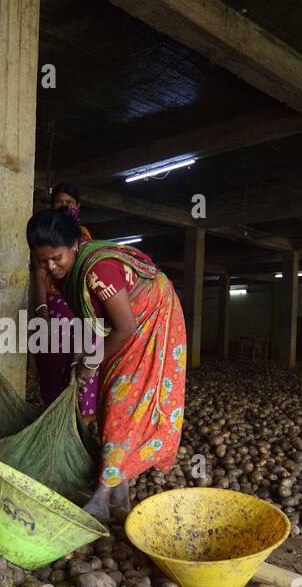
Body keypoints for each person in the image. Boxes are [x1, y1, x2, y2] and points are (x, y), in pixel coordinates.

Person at [27, 208, 186, 523]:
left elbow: (124, 327)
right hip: (126, 325)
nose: (49, 267)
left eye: (56, 258)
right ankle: (120, 489)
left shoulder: (97, 271)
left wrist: (91, 359)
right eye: (42, 260)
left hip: (150, 319)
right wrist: (87, 354)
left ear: (75, 246)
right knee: (107, 397)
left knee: (121, 401)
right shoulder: (70, 273)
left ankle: (101, 496)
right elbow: (97, 321)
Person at [30, 182, 98, 419]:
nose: (65, 207)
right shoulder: (42, 238)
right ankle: (55, 417)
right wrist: (42, 312)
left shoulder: (84, 237)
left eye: (69, 203)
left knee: (82, 365)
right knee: (52, 363)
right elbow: (38, 275)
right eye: (59, 203)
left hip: (80, 305)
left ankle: (80, 422)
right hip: (55, 306)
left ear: (78, 206)